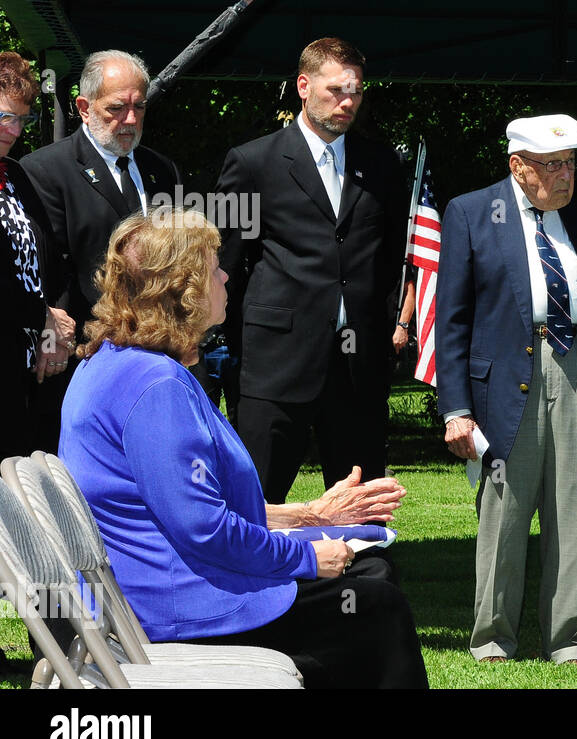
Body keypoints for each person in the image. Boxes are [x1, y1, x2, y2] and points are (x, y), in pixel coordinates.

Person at [58, 209, 425, 688]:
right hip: (177, 612)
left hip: (155, 592)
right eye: (213, 268)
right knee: (375, 604)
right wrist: (308, 558)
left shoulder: (114, 362)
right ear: (183, 290)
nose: (226, 274)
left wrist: (307, 516)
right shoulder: (154, 385)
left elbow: (184, 509)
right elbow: (205, 531)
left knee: (371, 571)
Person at [435, 114, 577, 663]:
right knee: (504, 508)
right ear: (517, 167)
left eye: (570, 164)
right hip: (503, 376)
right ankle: (493, 638)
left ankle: (566, 640)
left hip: (576, 365)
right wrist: (457, 410)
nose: (565, 175)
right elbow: (451, 322)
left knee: (572, 505)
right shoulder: (471, 213)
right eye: (551, 165)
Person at [215, 38, 406, 503]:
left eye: (356, 91)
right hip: (274, 366)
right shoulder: (252, 162)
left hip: (358, 368)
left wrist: (393, 326)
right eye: (336, 89)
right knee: (257, 505)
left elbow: (390, 259)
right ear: (303, 86)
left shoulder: (382, 164)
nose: (347, 101)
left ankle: (360, 578)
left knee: (362, 508)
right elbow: (221, 263)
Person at [20, 50, 183, 451]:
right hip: (83, 357)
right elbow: (49, 267)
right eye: (116, 108)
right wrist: (51, 338)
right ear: (83, 107)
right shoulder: (45, 170)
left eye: (139, 107)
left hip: (156, 354)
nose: (129, 120)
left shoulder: (163, 170)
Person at [0, 51, 74, 460]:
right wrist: (42, 318)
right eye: (3, 117)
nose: (12, 130)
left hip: (29, 362)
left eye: (21, 120)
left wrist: (51, 336)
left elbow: (51, 261)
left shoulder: (16, 175)